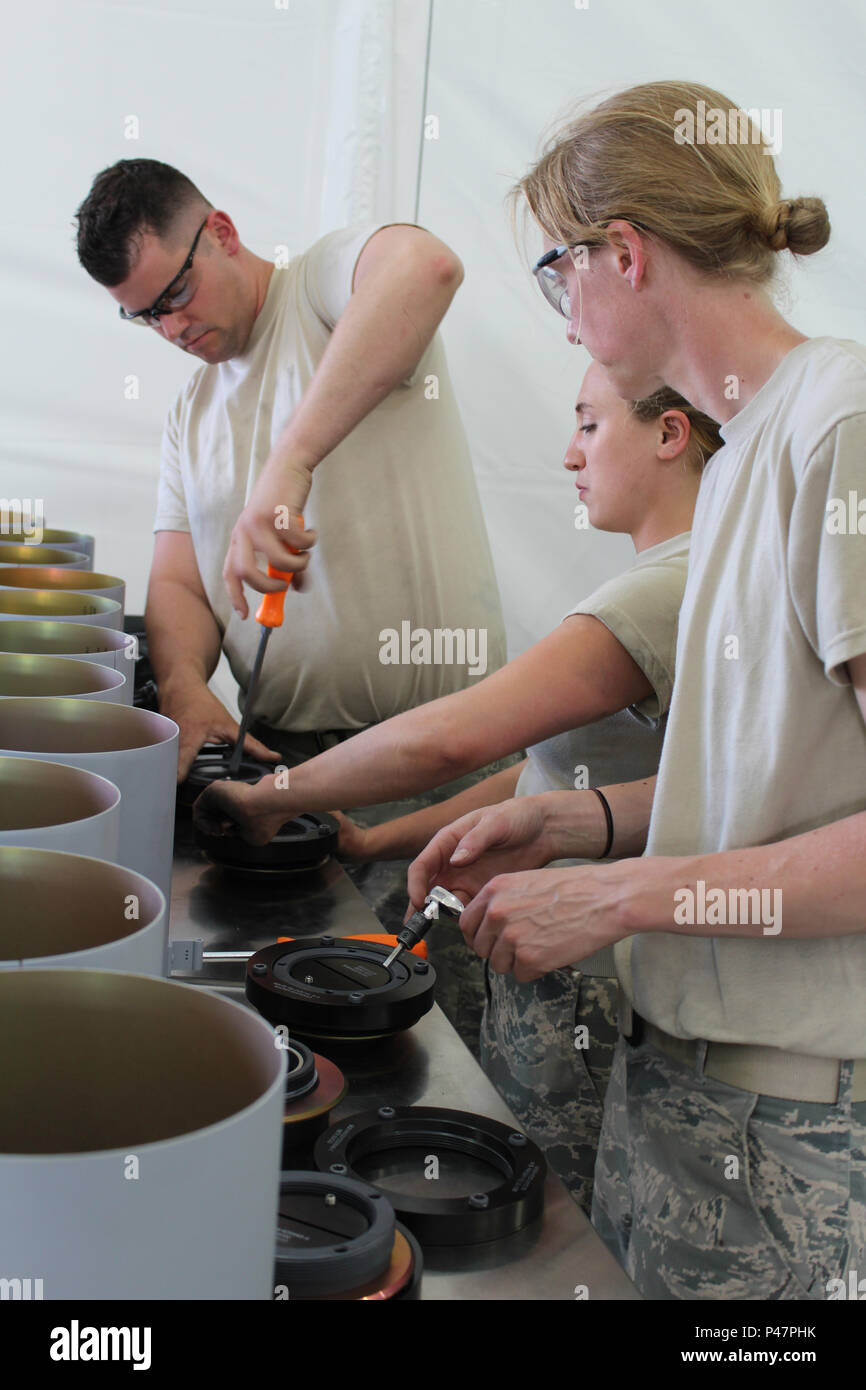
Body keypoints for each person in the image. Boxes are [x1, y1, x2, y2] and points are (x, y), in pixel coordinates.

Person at [408, 79, 866, 1300]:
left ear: (623, 252)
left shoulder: (840, 428)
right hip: (685, 1090)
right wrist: (576, 823)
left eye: (558, 273)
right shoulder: (743, 457)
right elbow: (779, 773)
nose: (561, 316)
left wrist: (620, 895)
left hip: (791, 1131)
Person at [195, 359, 722, 1204]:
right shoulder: (668, 573)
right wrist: (378, 837)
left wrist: (272, 797)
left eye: (589, 424)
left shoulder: (674, 582)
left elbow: (451, 739)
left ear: (671, 434)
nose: (569, 455)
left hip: (587, 973)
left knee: (548, 1212)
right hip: (550, 961)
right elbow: (546, 778)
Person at [74, 159, 506, 780]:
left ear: (221, 233)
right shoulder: (189, 416)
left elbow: (428, 267)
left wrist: (290, 464)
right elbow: (179, 584)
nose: (171, 328)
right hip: (284, 761)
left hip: (442, 751)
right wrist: (182, 685)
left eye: (176, 294)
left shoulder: (319, 289)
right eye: (145, 315)